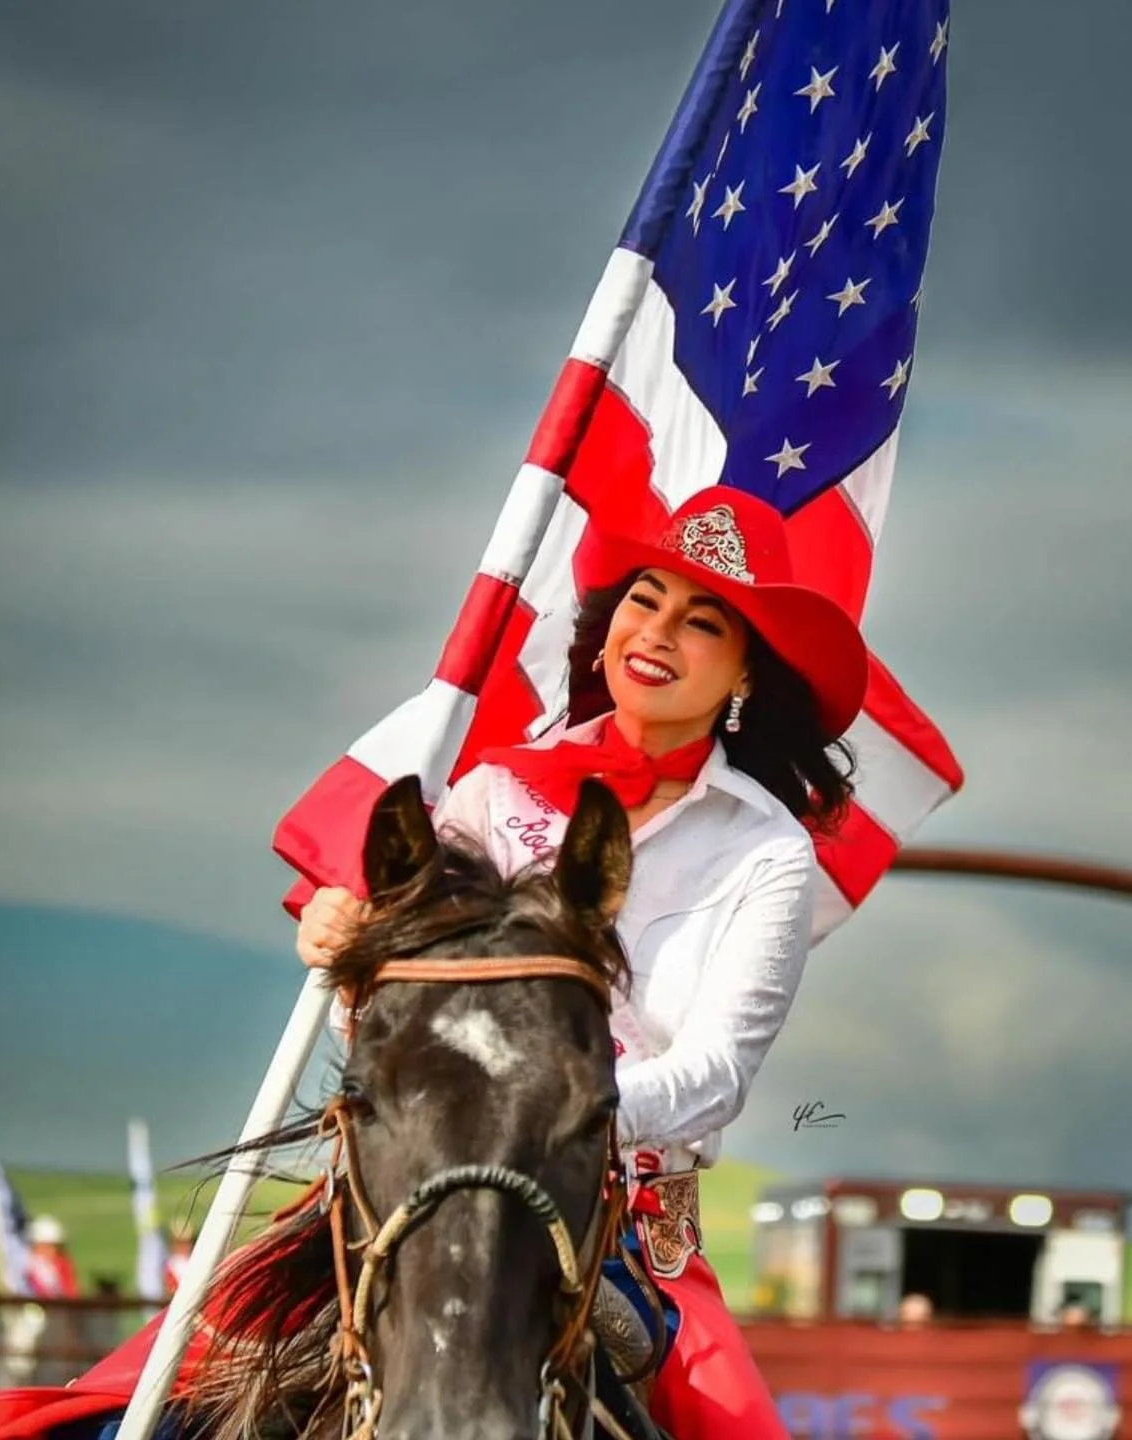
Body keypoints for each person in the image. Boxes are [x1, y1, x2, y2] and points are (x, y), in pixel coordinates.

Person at [296, 487, 869, 1440]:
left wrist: (555, 1114)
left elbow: (719, 1074)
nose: (659, 631)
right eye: (645, 600)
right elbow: (381, 1026)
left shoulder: (767, 852)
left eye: (703, 620)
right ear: (607, 630)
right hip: (422, 1181)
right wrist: (341, 947)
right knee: (165, 1390)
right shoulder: (488, 793)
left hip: (626, 1223)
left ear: (744, 675)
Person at [22, 1215, 79, 1300]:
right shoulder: (26, 1266)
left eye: (56, 1246)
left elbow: (72, 1293)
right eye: (47, 1246)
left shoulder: (62, 1263)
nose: (53, 1251)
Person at [162, 1221, 196, 1299]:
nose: (184, 1246)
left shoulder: (195, 1260)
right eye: (180, 1243)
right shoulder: (171, 1265)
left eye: (187, 1242)